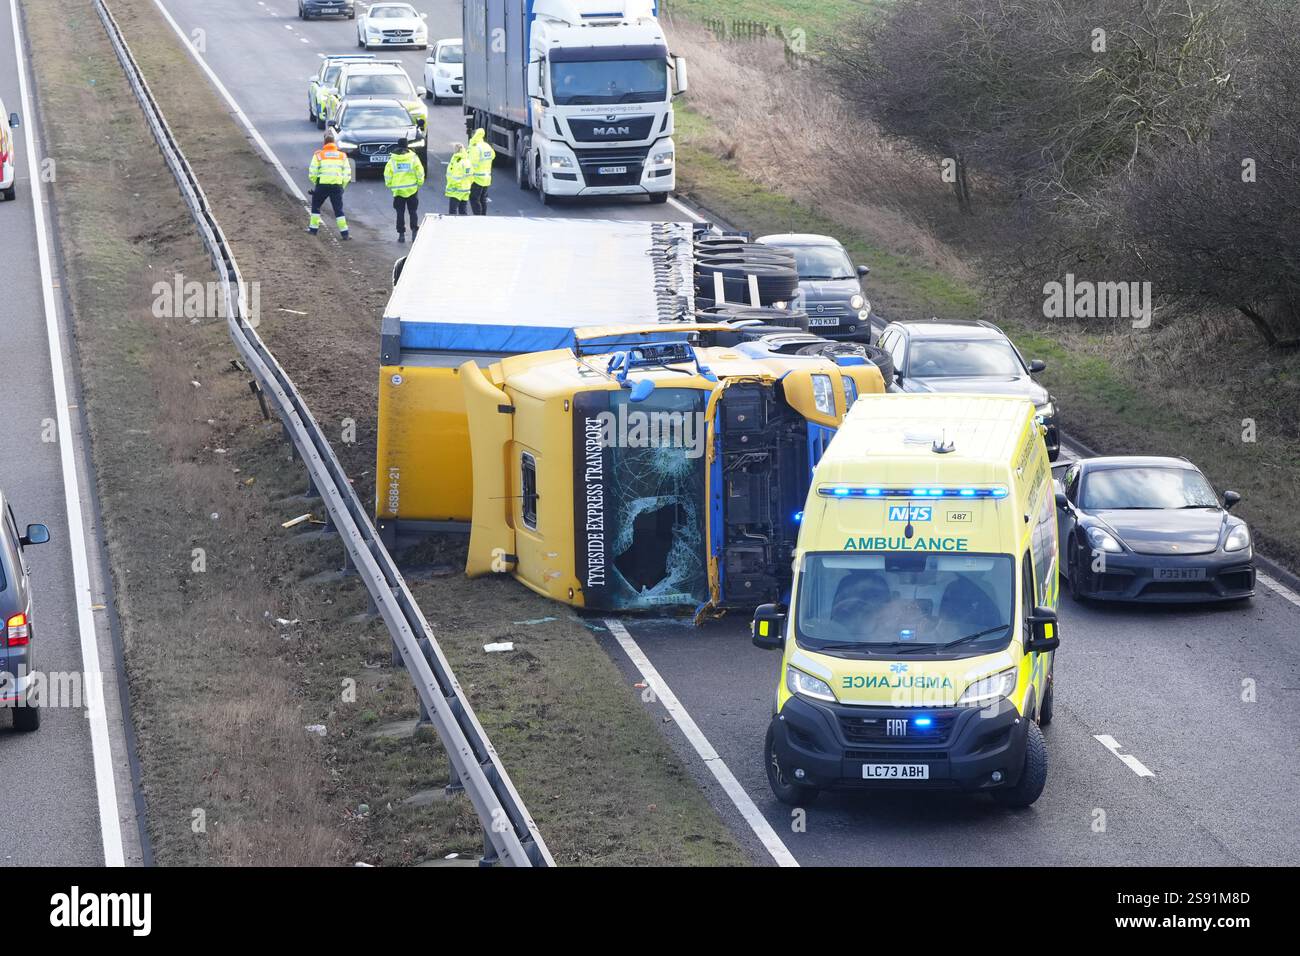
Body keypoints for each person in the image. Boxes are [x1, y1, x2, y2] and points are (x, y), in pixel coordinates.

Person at [307, 129, 351, 239]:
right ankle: (345, 234)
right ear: (334, 143)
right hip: (336, 186)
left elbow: (312, 172)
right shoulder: (342, 156)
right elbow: (347, 174)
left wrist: (316, 183)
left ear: (324, 143)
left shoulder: (319, 155)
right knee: (338, 210)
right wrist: (342, 186)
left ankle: (313, 230)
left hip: (322, 185)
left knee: (316, 207)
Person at [383, 137, 425, 243]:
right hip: (412, 189)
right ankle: (414, 232)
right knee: (413, 212)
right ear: (407, 146)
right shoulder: (413, 158)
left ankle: (401, 235)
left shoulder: (393, 159)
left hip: (398, 191)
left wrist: (390, 185)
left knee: (400, 213)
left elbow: (387, 174)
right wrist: (419, 184)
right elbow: (420, 172)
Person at [467, 127, 495, 215]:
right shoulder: (487, 146)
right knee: (483, 199)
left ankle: (478, 217)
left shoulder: (475, 147)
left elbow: (471, 163)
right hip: (486, 177)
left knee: (474, 198)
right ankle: (483, 216)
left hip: (477, 178)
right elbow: (493, 156)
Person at [444, 142, 472, 215]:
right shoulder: (467, 161)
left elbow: (455, 176)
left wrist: (453, 186)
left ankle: (453, 226)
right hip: (465, 190)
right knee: (463, 211)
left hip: (456, 190)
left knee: (452, 212)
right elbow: (471, 176)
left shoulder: (457, 161)